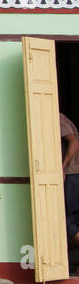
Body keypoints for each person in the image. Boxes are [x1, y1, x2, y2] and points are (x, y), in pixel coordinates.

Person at [62, 113, 79, 274]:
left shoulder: (56, 117)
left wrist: (63, 166)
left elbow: (73, 141)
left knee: (68, 217)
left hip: (72, 174)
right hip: (74, 174)